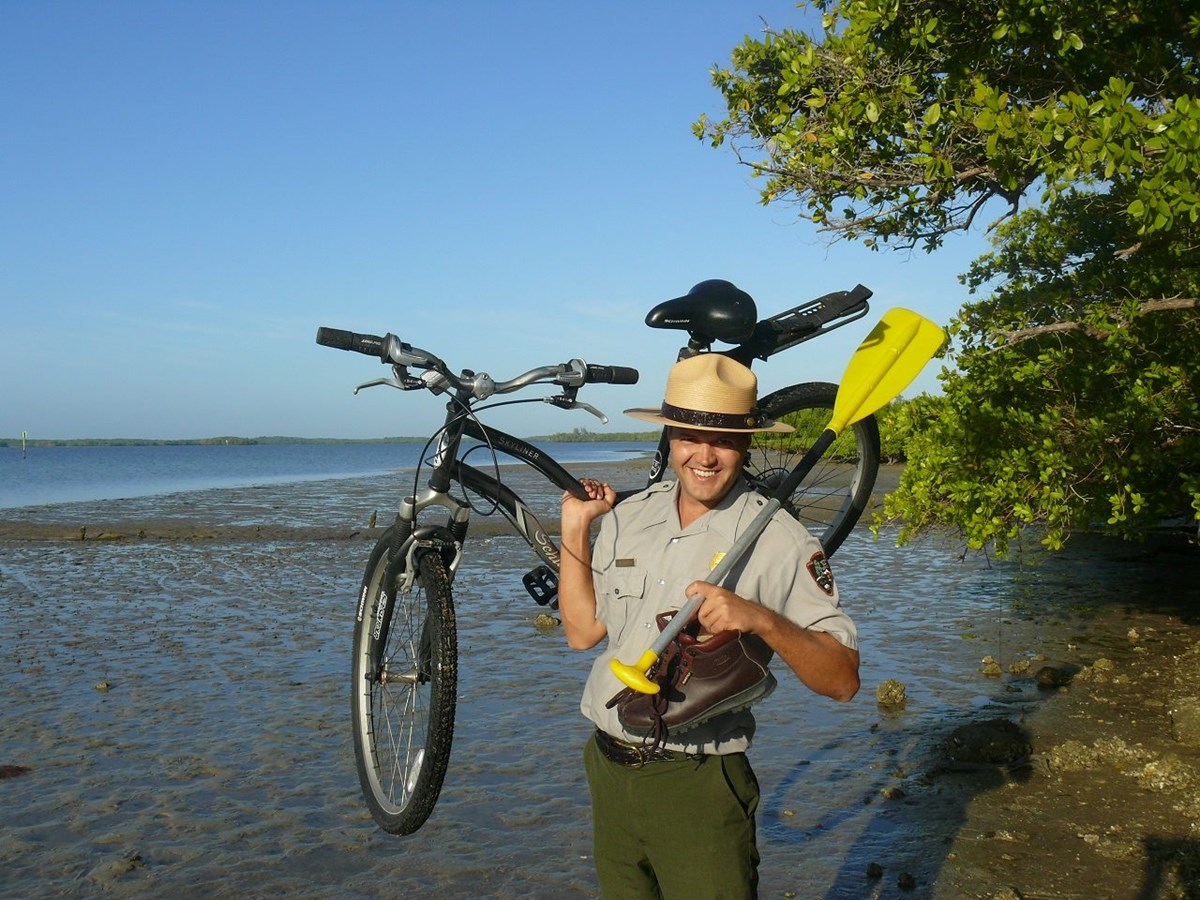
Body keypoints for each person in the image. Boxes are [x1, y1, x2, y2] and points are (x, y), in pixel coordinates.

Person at [558, 352, 860, 899]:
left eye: (722, 440)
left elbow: (841, 681)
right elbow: (582, 633)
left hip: (697, 783)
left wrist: (760, 619)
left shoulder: (781, 539)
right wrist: (575, 530)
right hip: (607, 768)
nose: (704, 456)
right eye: (688, 437)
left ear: (746, 445)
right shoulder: (629, 516)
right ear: (669, 438)